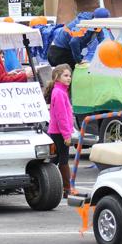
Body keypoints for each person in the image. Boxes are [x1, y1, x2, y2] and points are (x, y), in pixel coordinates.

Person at [45, 64, 74, 197]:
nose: (69, 78)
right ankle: (67, 189)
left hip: (57, 131)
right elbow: (61, 116)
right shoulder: (59, 93)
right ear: (57, 77)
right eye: (65, 75)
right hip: (59, 133)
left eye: (70, 76)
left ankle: (45, 182)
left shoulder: (60, 91)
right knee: (63, 160)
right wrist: (66, 135)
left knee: (55, 160)